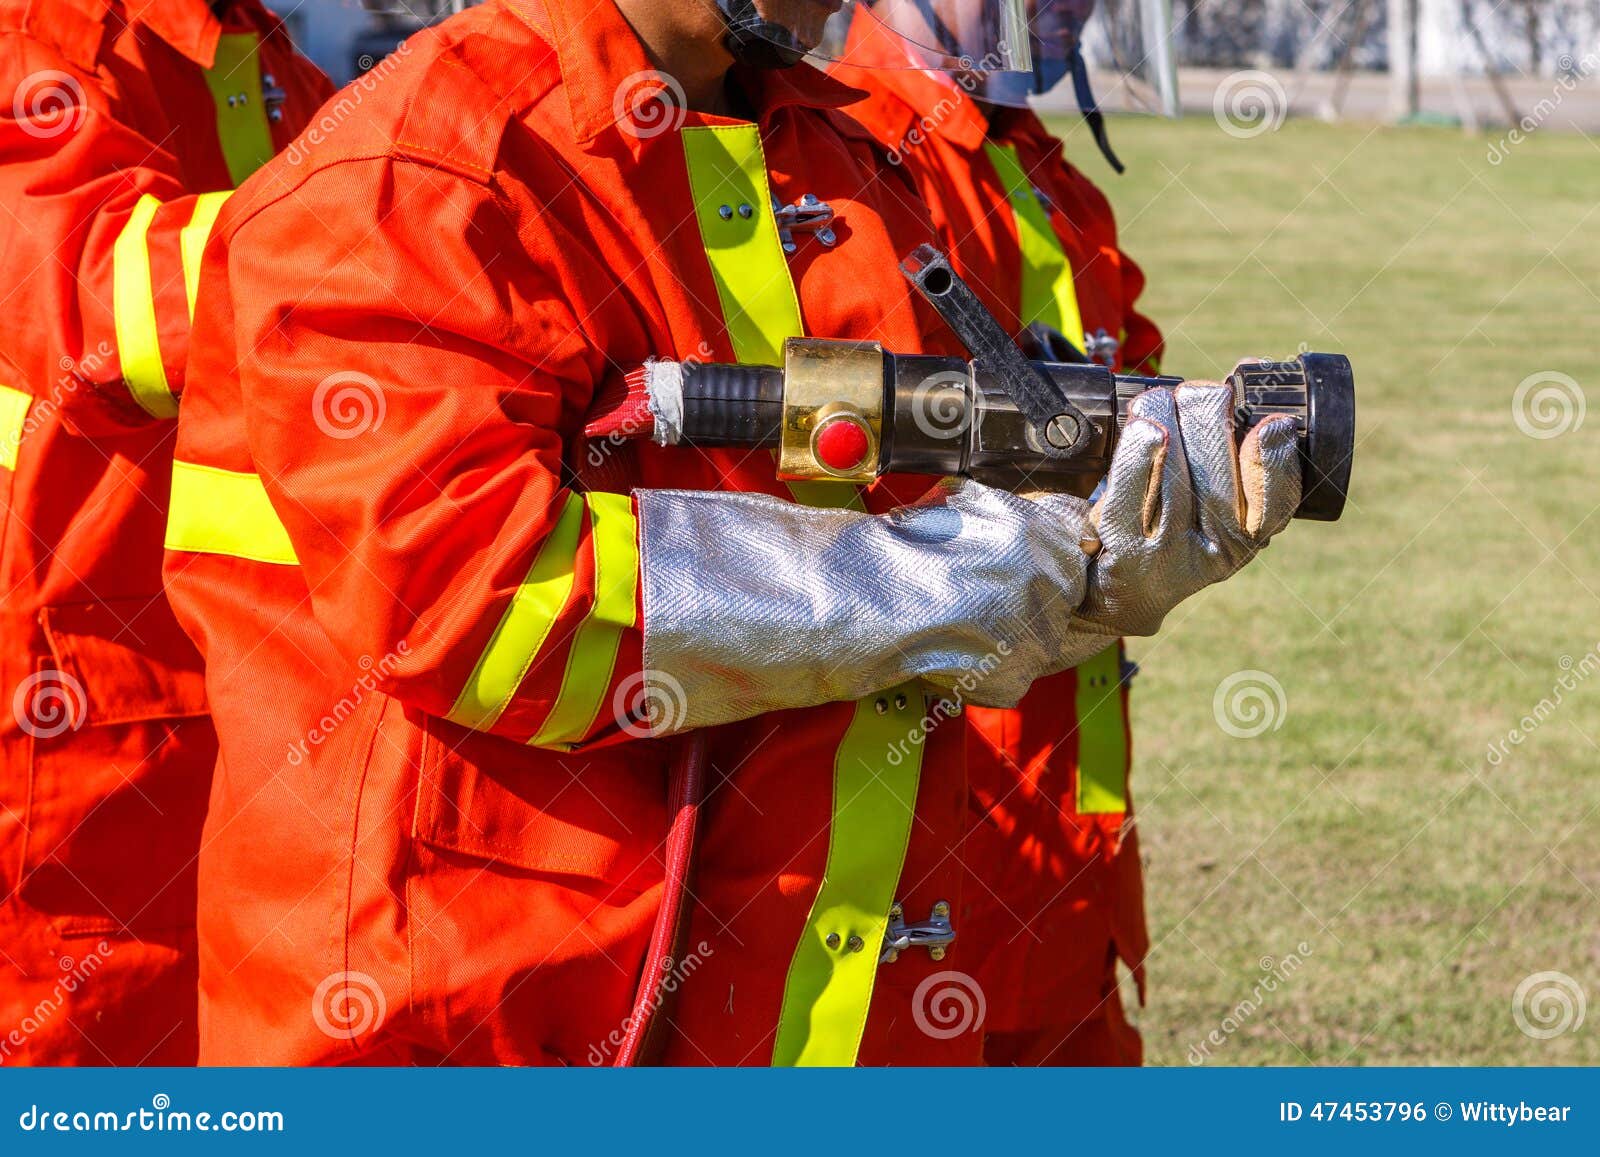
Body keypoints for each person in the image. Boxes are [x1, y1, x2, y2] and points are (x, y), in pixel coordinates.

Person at [163, 0, 1299, 1066]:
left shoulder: (826, 154)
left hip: (785, 1003)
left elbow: (919, 518)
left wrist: (1095, 561)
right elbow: (482, 604)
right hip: (470, 1013)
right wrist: (950, 582)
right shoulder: (421, 169)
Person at [836, 0, 1167, 1065]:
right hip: (938, 834)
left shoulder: (1031, 166)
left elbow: (1133, 389)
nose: (1068, 8)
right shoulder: (845, 169)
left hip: (1059, 821)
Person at [0, 0, 329, 1065]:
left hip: (208, 692)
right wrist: (398, 206)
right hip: (69, 713)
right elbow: (97, 305)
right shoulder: (33, 39)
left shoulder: (250, 52)